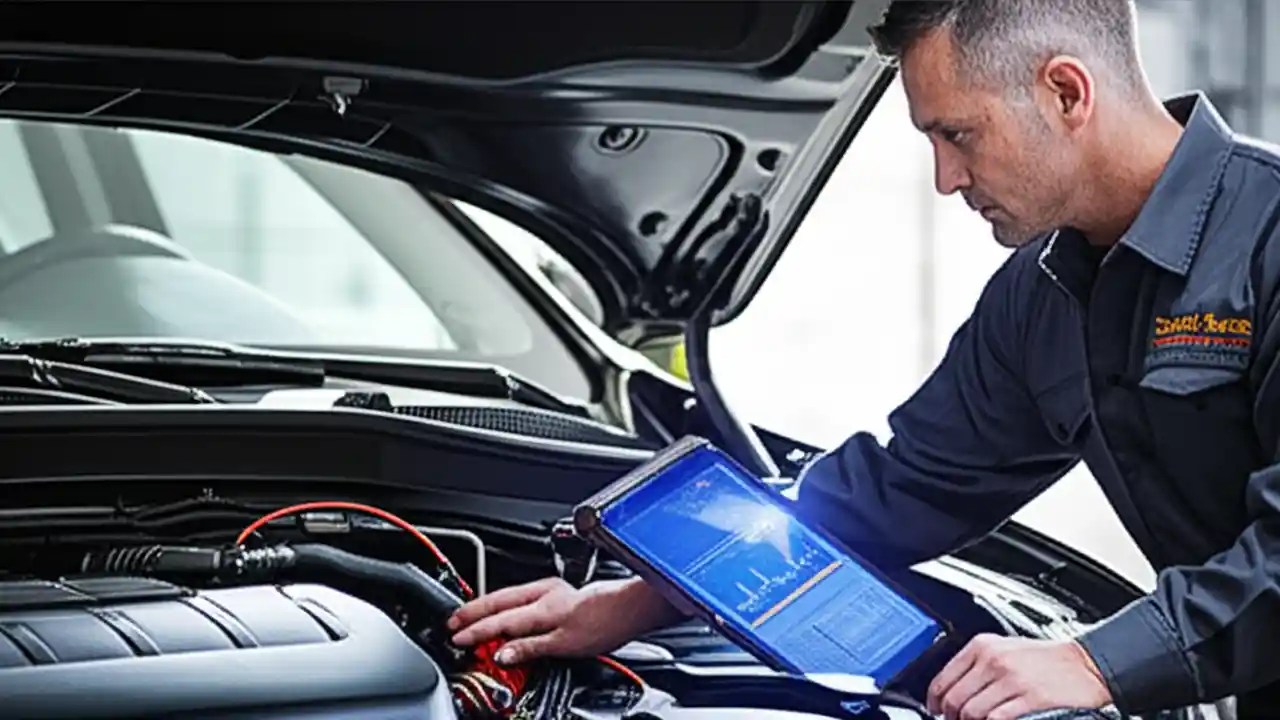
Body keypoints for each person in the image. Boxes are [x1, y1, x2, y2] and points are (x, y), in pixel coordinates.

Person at [448, 0, 1280, 717]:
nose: (946, 179)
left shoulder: (1269, 240)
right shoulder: (1045, 294)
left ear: (1066, 92)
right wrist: (642, 600)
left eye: (958, 134)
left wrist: (1094, 661)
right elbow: (897, 492)